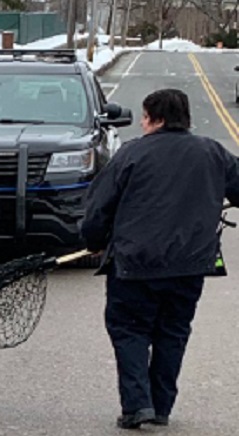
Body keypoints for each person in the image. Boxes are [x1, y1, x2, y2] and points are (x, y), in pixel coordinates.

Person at [80, 88, 239, 429]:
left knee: (129, 330)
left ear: (156, 118)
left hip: (136, 264)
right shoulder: (213, 153)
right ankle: (161, 406)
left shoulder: (132, 154)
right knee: (173, 332)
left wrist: (94, 241)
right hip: (191, 265)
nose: (142, 123)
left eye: (144, 117)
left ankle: (138, 405)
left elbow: (99, 208)